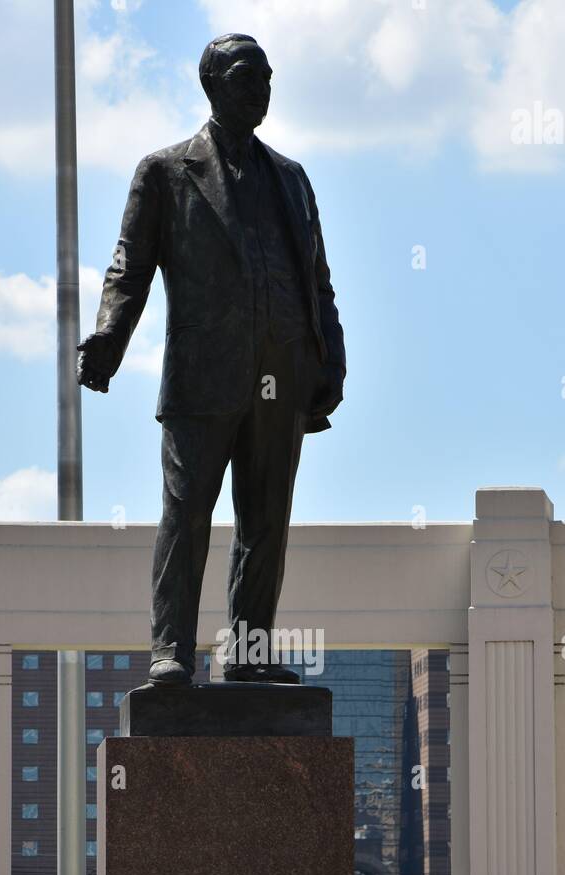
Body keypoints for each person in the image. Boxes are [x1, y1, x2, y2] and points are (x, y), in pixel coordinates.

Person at [78, 33, 345, 686]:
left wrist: (329, 361)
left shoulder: (291, 178)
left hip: (281, 375)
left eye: (267, 77)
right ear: (213, 84)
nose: (260, 89)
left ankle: (250, 657)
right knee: (188, 511)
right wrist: (108, 338)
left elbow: (317, 282)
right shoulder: (167, 172)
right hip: (204, 374)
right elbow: (129, 267)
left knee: (266, 521)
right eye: (246, 76)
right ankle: (171, 650)